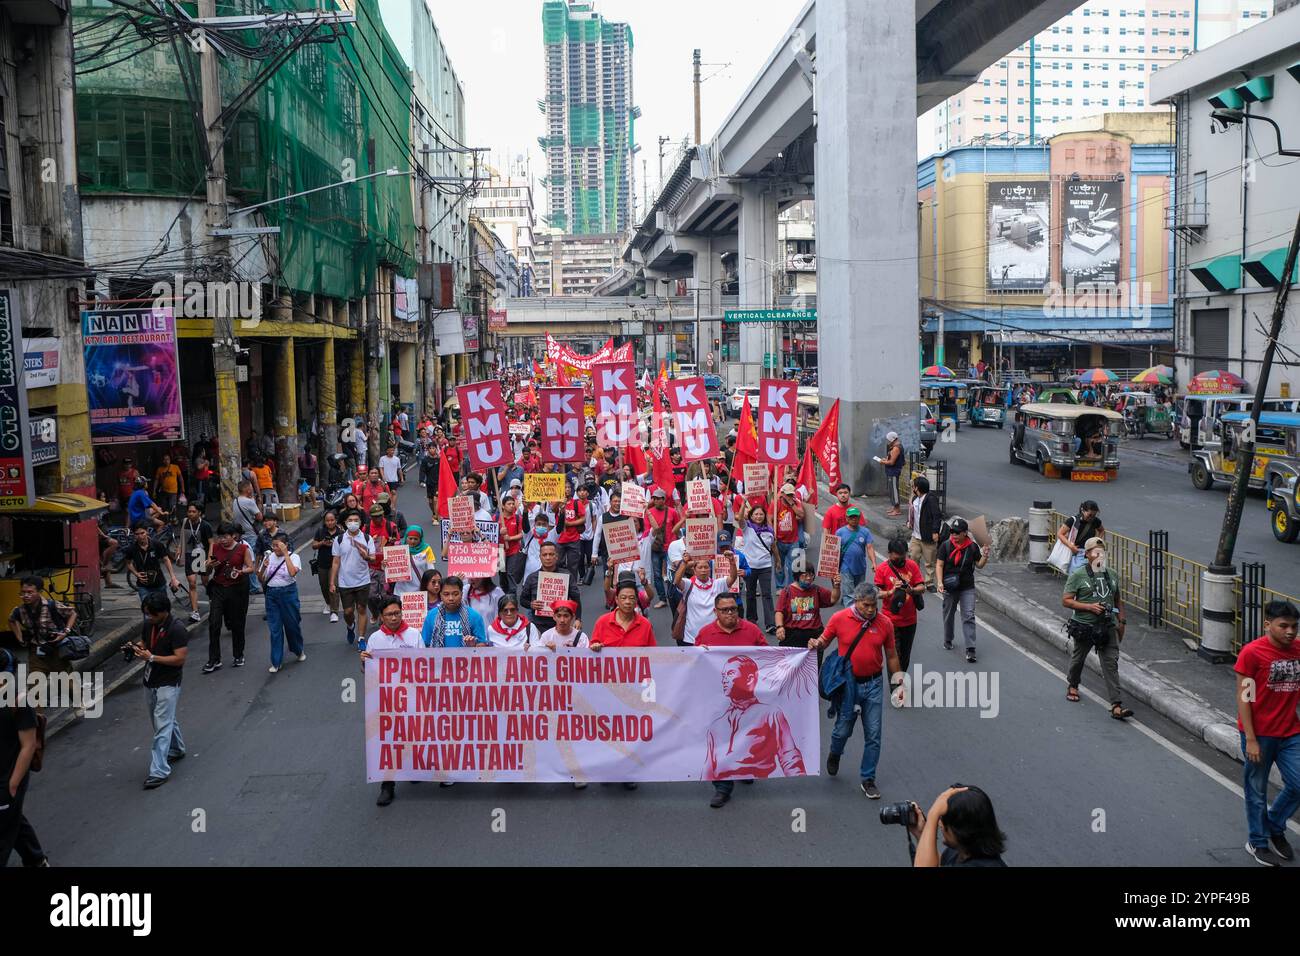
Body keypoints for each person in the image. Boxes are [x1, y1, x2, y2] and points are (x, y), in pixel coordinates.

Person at [810, 582, 901, 800]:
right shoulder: (839, 619)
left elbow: (891, 656)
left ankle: (868, 778)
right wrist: (816, 643)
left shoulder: (885, 623)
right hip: (848, 686)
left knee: (874, 734)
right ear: (856, 601)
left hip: (874, 685)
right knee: (842, 730)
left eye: (874, 605)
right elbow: (824, 641)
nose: (871, 610)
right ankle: (835, 752)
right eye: (866, 605)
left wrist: (898, 684)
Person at [1234, 599, 1300, 867]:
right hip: (1259, 735)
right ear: (1267, 625)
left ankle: (1273, 824)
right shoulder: (1252, 654)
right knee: (1257, 790)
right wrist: (1250, 739)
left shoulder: (1298, 650)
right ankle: (1258, 842)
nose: (1290, 632)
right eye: (1283, 626)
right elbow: (1244, 698)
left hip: (1290, 732)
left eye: (1294, 626)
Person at [360, 597, 422, 807]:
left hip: (412, 696)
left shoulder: (414, 635)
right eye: (389, 615)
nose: (394, 618)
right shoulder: (375, 640)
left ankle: (414, 768)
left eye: (397, 613)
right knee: (388, 743)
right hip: (385, 700)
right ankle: (387, 786)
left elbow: (425, 664)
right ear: (381, 617)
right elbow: (367, 671)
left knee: (414, 733)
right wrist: (364, 662)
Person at [1061, 535, 1130, 717]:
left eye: (1102, 552)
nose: (1100, 555)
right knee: (1078, 660)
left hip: (1107, 626)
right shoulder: (1078, 575)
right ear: (1087, 555)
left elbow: (1117, 600)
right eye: (1096, 552)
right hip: (1085, 626)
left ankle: (1116, 705)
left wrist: (1121, 622)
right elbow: (1066, 601)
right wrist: (1088, 607)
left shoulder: (1112, 574)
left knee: (1111, 664)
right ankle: (1073, 684)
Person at [128, 592, 189, 789]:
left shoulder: (177, 629)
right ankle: (177, 748)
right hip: (150, 681)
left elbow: (179, 659)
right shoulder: (148, 625)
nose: (148, 618)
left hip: (168, 682)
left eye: (152, 614)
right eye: (146, 614)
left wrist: (152, 658)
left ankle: (159, 771)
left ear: (163, 612)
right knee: (162, 719)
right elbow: (145, 644)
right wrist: (136, 649)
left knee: (162, 725)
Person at [0, 648, 46, 866]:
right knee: (12, 818)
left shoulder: (18, 702)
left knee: (3, 828)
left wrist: (13, 784)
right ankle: (36, 860)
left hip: (9, 775)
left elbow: (28, 746)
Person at [908, 785, 1008, 867]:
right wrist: (921, 833)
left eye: (942, 819)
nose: (940, 824)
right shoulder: (958, 852)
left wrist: (933, 815)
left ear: (962, 831)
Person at [935, 517, 988, 663]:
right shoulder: (945, 546)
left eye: (957, 533)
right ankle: (948, 638)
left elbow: (979, 565)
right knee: (948, 614)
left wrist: (985, 555)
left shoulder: (972, 547)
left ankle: (970, 649)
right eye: (952, 532)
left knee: (969, 615)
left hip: (967, 586)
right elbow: (939, 565)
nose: (954, 535)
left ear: (965, 533)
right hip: (950, 586)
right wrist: (939, 582)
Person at [204, 521, 253, 674]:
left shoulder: (243, 549)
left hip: (237, 589)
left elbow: (251, 567)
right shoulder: (215, 547)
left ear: (234, 536)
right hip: (218, 588)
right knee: (214, 623)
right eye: (220, 537)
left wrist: (241, 572)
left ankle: (238, 655)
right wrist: (210, 565)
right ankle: (214, 659)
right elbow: (206, 568)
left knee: (237, 623)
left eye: (225, 537)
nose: (222, 540)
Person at [8, 577, 77, 682]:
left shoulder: (52, 605)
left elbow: (72, 614)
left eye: (30, 592)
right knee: (34, 688)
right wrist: (20, 638)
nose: (26, 596)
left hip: (56, 650)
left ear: (39, 592)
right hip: (36, 653)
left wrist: (66, 631)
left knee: (69, 685)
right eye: (23, 592)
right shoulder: (20, 610)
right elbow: (11, 620)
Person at [874, 538, 926, 674]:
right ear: (889, 554)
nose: (901, 558)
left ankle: (900, 681)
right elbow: (877, 594)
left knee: (905, 657)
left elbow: (922, 586)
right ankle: (896, 689)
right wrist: (890, 592)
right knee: (894, 657)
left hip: (910, 620)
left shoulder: (912, 565)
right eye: (897, 555)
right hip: (890, 620)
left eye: (903, 554)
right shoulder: (882, 569)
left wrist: (912, 590)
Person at [775, 554, 840, 655]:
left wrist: (836, 586)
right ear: (797, 576)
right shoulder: (787, 591)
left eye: (811, 575)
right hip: (793, 636)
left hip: (814, 635)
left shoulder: (816, 590)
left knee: (813, 667)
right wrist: (780, 627)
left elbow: (833, 599)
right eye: (805, 575)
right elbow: (779, 611)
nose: (809, 578)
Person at [260, 532, 305, 674]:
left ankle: (298, 649)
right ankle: (276, 661)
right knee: (275, 629)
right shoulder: (269, 556)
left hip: (288, 593)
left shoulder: (294, 557)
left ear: (285, 545)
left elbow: (292, 573)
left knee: (292, 625)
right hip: (272, 595)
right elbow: (261, 579)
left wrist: (285, 554)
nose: (274, 549)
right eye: (273, 545)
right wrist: (263, 567)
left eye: (278, 545)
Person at [673, 555, 740, 646]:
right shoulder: (688, 584)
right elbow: (677, 581)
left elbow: (732, 578)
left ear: (710, 569)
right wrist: (684, 562)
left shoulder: (718, 584)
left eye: (706, 567)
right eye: (700, 567)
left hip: (715, 636)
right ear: (694, 570)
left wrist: (732, 561)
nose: (703, 570)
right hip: (692, 638)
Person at [331, 511, 375, 646]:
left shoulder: (367, 538)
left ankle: (361, 638)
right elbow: (336, 561)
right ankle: (350, 626)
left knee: (362, 609)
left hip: (363, 580)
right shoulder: (339, 540)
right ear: (345, 523)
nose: (353, 523)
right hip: (345, 582)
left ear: (360, 523)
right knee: (348, 612)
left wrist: (366, 557)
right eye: (350, 520)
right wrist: (332, 582)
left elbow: (372, 559)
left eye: (356, 520)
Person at [519, 541, 583, 633]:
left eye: (551, 554)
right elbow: (522, 600)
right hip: (538, 625)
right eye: (545, 555)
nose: (548, 558)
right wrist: (531, 604)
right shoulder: (532, 578)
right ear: (540, 557)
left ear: (556, 557)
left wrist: (578, 619)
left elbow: (576, 598)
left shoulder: (567, 576)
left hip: (561, 625)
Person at [740, 504, 777, 632]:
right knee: (750, 594)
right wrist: (743, 504)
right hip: (750, 566)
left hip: (766, 566)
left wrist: (777, 561)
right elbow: (739, 518)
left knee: (767, 594)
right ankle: (752, 620)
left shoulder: (770, 530)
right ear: (751, 516)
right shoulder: (746, 528)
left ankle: (770, 623)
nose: (759, 516)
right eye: (756, 514)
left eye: (761, 514)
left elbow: (773, 547)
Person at [421, 576, 488, 647]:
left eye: (455, 594)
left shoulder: (474, 616)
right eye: (446, 594)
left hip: (466, 657)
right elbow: (425, 645)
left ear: (461, 594)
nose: (451, 598)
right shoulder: (431, 616)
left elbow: (482, 645)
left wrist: (473, 646)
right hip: (439, 658)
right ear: (440, 595)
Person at [124, 523, 181, 605]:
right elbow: (128, 563)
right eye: (137, 534)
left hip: (159, 583)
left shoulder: (157, 545)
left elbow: (166, 560)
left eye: (142, 533)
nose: (140, 536)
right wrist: (136, 574)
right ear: (134, 535)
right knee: (147, 611)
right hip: (143, 585)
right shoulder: (131, 549)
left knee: (163, 609)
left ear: (147, 532)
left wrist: (173, 578)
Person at [590, 579, 657, 651]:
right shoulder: (602, 622)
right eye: (623, 598)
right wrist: (594, 647)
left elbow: (653, 654)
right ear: (616, 600)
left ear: (636, 600)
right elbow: (590, 652)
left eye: (631, 598)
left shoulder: (645, 625)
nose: (627, 602)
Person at [643, 488, 682, 608]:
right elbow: (647, 531)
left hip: (670, 548)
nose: (656, 501)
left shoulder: (672, 512)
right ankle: (662, 598)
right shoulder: (649, 513)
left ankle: (674, 596)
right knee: (657, 574)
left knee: (673, 573)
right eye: (654, 499)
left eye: (659, 499)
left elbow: (677, 527)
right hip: (656, 548)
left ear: (664, 500)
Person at [836, 508, 878, 607]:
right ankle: (850, 613)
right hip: (846, 567)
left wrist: (874, 563)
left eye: (856, 517)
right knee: (849, 593)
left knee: (859, 592)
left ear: (859, 518)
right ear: (847, 518)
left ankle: (848, 601)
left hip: (861, 567)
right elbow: (834, 550)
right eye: (851, 517)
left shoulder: (865, 532)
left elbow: (870, 547)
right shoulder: (840, 532)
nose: (853, 519)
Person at [907, 475, 942, 590]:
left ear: (917, 488)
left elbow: (937, 516)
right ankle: (915, 580)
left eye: (913, 486)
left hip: (927, 536)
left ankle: (929, 582)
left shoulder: (931, 499)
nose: (912, 488)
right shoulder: (915, 498)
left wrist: (935, 531)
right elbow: (911, 513)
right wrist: (909, 522)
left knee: (929, 561)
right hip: (916, 536)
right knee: (913, 557)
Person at [179, 502, 213, 623]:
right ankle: (195, 612)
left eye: (193, 511)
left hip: (202, 555)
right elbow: (182, 537)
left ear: (199, 513)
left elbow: (211, 543)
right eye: (189, 511)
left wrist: (210, 558)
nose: (191, 514)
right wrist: (179, 549)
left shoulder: (205, 525)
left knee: (205, 581)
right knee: (192, 583)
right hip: (189, 555)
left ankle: (212, 598)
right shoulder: (185, 523)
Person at [772, 482, 805, 590]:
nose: (790, 497)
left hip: (793, 540)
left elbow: (801, 514)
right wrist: (772, 533)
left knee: (793, 566)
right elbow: (769, 518)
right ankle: (780, 586)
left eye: (791, 494)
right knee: (779, 564)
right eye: (787, 495)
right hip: (779, 540)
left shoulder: (796, 503)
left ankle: (791, 586)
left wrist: (792, 504)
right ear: (782, 494)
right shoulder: (775, 503)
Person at [1057, 500, 1104, 574]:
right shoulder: (1073, 520)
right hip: (1076, 552)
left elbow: (1102, 530)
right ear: (1083, 511)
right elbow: (1060, 534)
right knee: (1077, 575)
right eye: (1090, 515)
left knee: (1096, 574)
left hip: (1091, 552)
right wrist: (1071, 546)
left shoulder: (1096, 521)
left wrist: (1097, 542)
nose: (1091, 518)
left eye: (1094, 515)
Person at [312, 510, 341, 623]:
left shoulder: (341, 533)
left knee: (333, 586)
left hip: (336, 564)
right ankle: (328, 603)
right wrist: (322, 543)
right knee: (324, 586)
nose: (330, 522)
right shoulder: (320, 531)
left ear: (336, 520)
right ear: (325, 522)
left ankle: (334, 612)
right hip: (322, 563)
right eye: (327, 520)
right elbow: (314, 545)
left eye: (332, 520)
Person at [395, 526, 435, 596]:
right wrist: (385, 564)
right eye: (410, 538)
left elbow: (431, 570)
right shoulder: (399, 548)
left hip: (419, 590)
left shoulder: (426, 549)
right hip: (401, 590)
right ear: (406, 537)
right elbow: (391, 569)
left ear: (420, 539)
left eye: (416, 539)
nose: (412, 541)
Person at [881, 432, 905, 517]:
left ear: (892, 439)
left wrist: (883, 462)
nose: (888, 441)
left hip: (893, 471)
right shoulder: (895, 447)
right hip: (891, 471)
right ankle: (894, 507)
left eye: (888, 440)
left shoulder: (896, 448)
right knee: (891, 489)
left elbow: (891, 462)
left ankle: (897, 509)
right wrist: (885, 460)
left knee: (894, 490)